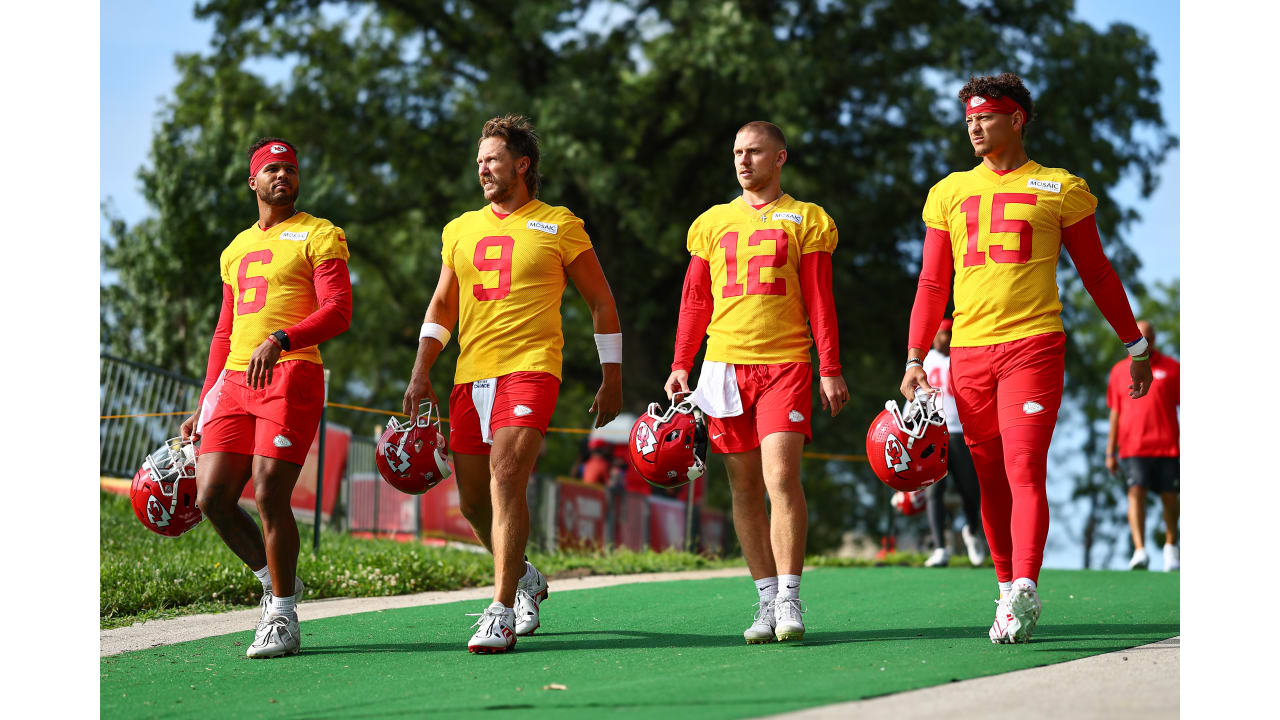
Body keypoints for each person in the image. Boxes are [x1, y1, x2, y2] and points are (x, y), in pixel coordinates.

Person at [900, 74, 1152, 644]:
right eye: (968, 118)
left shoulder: (1060, 187)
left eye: (985, 116)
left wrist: (1134, 345)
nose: (973, 126)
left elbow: (1097, 272)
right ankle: (1005, 589)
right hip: (968, 354)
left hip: (1032, 346)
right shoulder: (948, 192)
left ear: (1016, 119)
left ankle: (1025, 587)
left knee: (1024, 468)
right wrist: (915, 356)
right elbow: (933, 282)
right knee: (989, 479)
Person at [401, 115, 622, 653]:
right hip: (469, 373)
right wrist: (421, 370)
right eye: (479, 161)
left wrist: (612, 375)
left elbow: (600, 301)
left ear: (522, 165)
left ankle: (500, 611)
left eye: (493, 159)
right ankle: (523, 575)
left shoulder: (559, 224)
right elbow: (442, 305)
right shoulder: (459, 229)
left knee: (506, 477)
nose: (483, 168)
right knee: (474, 503)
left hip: (531, 368)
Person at [665, 121, 849, 644]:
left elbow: (819, 298)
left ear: (780, 157)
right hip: (724, 367)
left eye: (754, 152)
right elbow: (695, 299)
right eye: (737, 152)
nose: (743, 161)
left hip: (786, 364)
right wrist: (681, 363)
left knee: (781, 477)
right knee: (743, 487)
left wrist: (830, 367)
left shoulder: (806, 218)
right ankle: (766, 598)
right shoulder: (712, 222)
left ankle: (790, 596)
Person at [180, 137, 353, 658]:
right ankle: (276, 580)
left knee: (269, 490)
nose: (283, 176)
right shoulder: (234, 248)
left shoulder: (320, 234)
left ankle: (281, 615)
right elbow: (224, 330)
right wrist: (205, 399)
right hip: (235, 382)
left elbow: (339, 309)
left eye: (291, 169)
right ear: (252, 181)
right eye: (273, 169)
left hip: (291, 373)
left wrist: (282, 338)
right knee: (212, 497)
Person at [1106, 320, 1180, 571]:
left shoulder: (1173, 368)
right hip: (1133, 446)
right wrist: (1110, 451)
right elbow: (1115, 412)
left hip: (1167, 445)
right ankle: (1140, 551)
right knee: (1135, 492)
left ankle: (1171, 547)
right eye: (1139, 338)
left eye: (1147, 338)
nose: (1143, 343)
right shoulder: (1118, 371)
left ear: (1154, 340)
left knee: (1170, 496)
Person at [921, 318, 986, 568]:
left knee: (969, 489)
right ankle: (939, 547)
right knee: (934, 490)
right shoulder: (925, 361)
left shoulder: (964, 357)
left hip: (961, 431)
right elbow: (913, 396)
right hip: (933, 431)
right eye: (939, 333)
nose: (943, 338)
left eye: (947, 333)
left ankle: (972, 530)